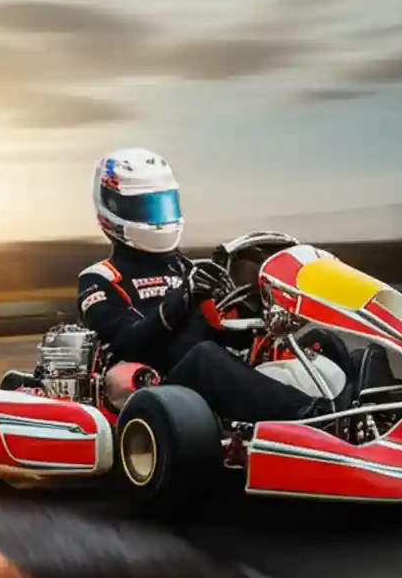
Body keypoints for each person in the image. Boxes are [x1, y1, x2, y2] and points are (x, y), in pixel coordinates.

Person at [75, 147, 334, 422]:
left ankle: (367, 406)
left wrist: (260, 312)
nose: (158, 218)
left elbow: (226, 332)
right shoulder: (99, 279)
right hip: (162, 390)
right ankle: (313, 417)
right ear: (112, 210)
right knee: (205, 358)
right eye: (145, 207)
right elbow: (127, 344)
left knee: (320, 342)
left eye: (163, 205)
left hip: (216, 377)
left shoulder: (191, 269)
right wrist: (181, 300)